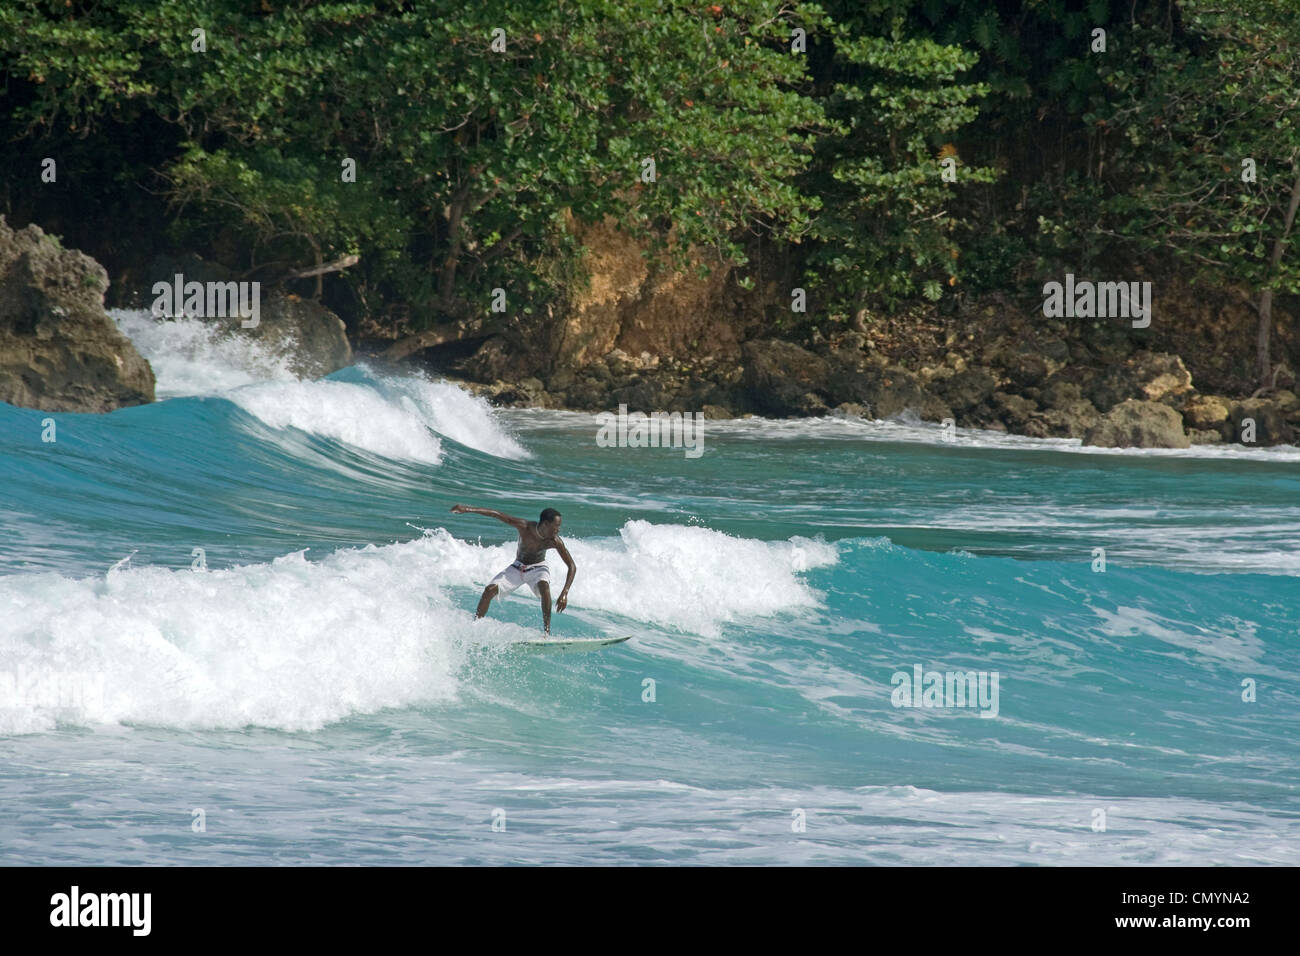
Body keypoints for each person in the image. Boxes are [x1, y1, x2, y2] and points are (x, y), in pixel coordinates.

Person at [450, 503, 576, 633]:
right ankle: (475, 626)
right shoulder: (525, 527)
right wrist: (467, 509)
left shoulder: (555, 541)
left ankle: (547, 632)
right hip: (517, 567)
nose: (558, 530)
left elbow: (571, 566)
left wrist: (565, 593)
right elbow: (496, 514)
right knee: (489, 590)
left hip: (538, 568)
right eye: (556, 526)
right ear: (545, 524)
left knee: (544, 587)